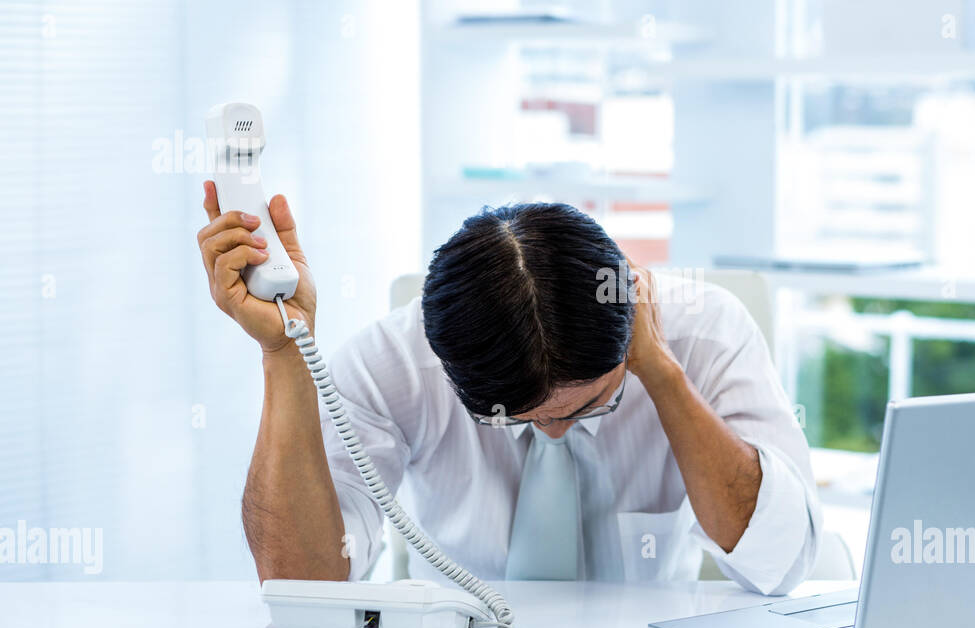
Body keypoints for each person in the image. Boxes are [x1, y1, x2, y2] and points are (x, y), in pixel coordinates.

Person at [196, 186, 821, 594]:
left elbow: (784, 563)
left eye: (587, 404)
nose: (553, 429)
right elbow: (303, 585)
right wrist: (282, 352)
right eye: (515, 419)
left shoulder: (705, 333)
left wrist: (661, 374)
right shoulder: (395, 360)